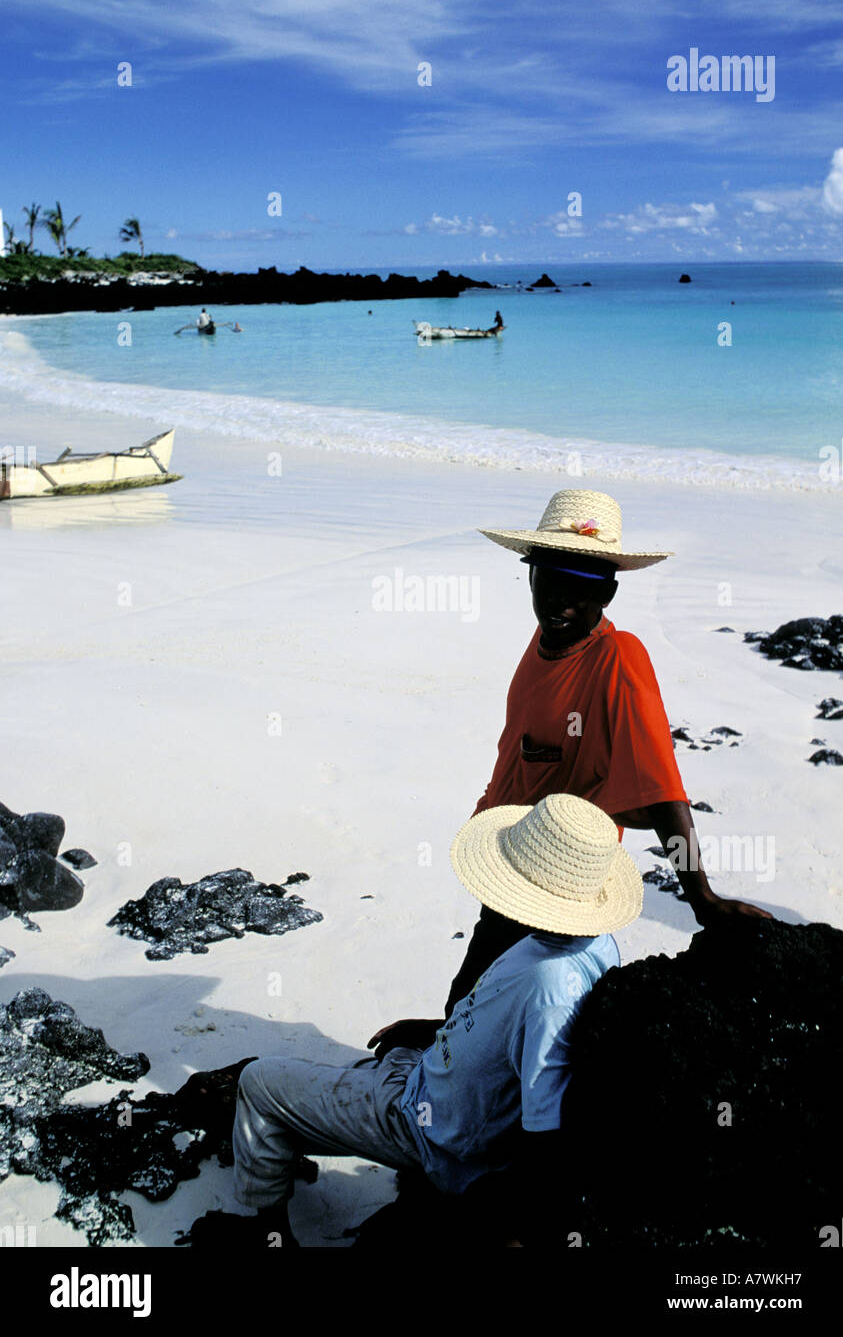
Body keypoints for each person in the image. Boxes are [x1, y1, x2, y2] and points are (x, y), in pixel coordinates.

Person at [372, 488, 771, 1052]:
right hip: (512, 860)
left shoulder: (618, 659)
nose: (562, 602)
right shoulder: (541, 643)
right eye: (551, 582)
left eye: (584, 590)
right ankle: (449, 1043)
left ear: (608, 591)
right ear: (528, 576)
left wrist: (700, 897)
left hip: (561, 880)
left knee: (507, 1024)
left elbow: (661, 791)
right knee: (468, 1007)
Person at [187, 794, 642, 1248]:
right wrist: (431, 1031)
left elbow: (545, 1126)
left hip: (431, 1130)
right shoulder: (592, 946)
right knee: (395, 1049)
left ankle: (271, 1233)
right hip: (433, 1086)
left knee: (259, 1083)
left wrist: (518, 1231)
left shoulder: (547, 987)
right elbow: (504, 1035)